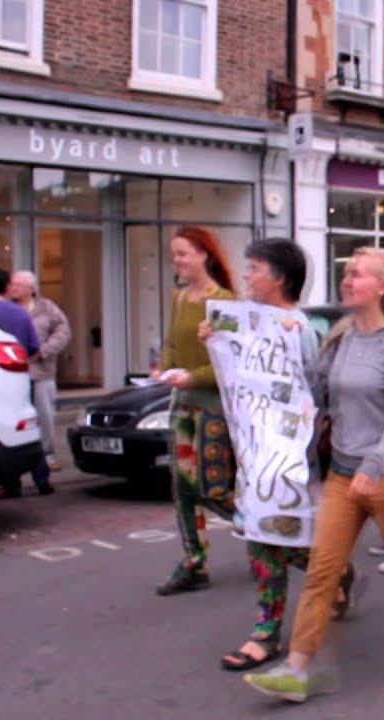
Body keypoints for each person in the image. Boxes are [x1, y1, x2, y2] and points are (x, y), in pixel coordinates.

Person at [244, 248, 384, 702]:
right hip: (342, 474)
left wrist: (375, 467)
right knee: (322, 570)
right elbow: (309, 389)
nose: (347, 279)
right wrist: (265, 343)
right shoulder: (341, 336)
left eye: (358, 274)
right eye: (346, 272)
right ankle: (298, 667)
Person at [200, 241, 358, 673]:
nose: (246, 276)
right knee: (260, 535)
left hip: (288, 455)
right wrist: (218, 342)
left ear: (280, 278)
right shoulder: (247, 323)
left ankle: (330, 570)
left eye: (254, 269)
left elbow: (314, 391)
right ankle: (267, 631)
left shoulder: (300, 330)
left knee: (284, 532)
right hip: (253, 451)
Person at [151, 225, 238, 596]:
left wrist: (192, 376)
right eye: (175, 255)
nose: (178, 261)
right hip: (181, 406)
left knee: (212, 489)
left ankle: (267, 533)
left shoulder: (226, 300)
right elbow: (171, 342)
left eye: (183, 253)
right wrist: (163, 369)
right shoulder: (178, 298)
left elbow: (229, 360)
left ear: (204, 254)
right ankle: (194, 562)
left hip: (213, 408)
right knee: (182, 488)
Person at [0, 268, 50, 498]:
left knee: (0, 428)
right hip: (20, 377)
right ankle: (42, 479)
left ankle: (10, 484)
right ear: (8, 286)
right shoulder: (21, 314)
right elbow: (33, 346)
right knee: (28, 425)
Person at [9, 271, 72, 474]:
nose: (13, 288)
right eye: (12, 284)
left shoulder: (46, 308)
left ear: (31, 288)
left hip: (41, 372)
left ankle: (48, 455)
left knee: (44, 416)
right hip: (14, 373)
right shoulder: (10, 308)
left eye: (18, 284)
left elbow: (63, 331)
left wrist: (43, 351)